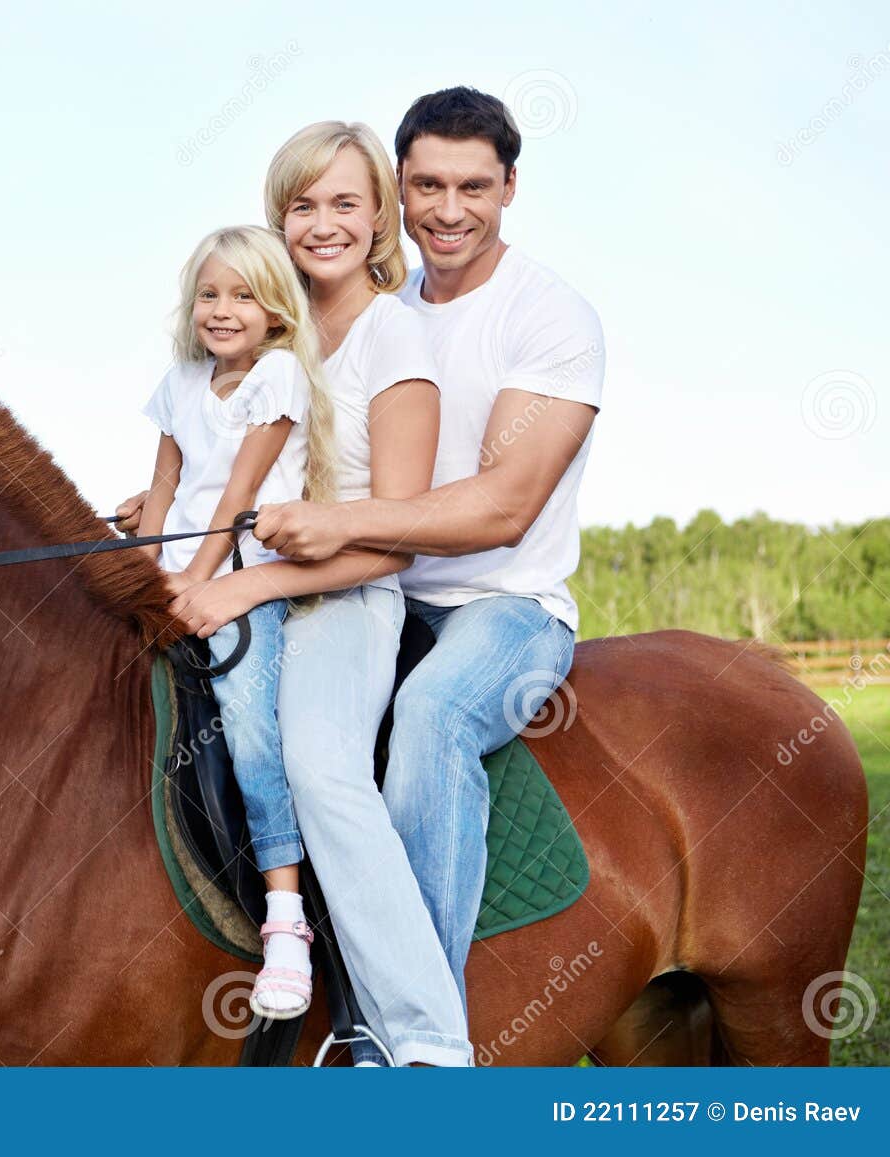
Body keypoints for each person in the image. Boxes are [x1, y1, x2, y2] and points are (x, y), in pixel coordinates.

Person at [249, 88, 606, 1015]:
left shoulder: (552, 318)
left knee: (432, 717)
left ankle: (414, 1026)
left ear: (510, 188)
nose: (449, 210)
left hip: (503, 604)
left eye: (474, 187)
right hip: (372, 590)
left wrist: (344, 524)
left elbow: (505, 506)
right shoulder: (370, 308)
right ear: (397, 192)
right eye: (428, 186)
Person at [130, 123, 473, 1066]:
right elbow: (220, 464)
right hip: (239, 575)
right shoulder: (261, 328)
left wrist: (252, 582)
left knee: (320, 763)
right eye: (303, 204)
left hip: (342, 592)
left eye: (345, 204)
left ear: (380, 217)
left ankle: (423, 1041)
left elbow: (396, 533)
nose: (323, 224)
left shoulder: (395, 334)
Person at [136, 224, 331, 1018]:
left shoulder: (278, 376)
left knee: (251, 726)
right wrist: (146, 572)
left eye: (244, 296)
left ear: (276, 311)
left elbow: (237, 497)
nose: (223, 310)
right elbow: (163, 489)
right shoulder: (181, 382)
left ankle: (284, 914)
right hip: (177, 574)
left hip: (240, 577)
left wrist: (195, 579)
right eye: (209, 294)